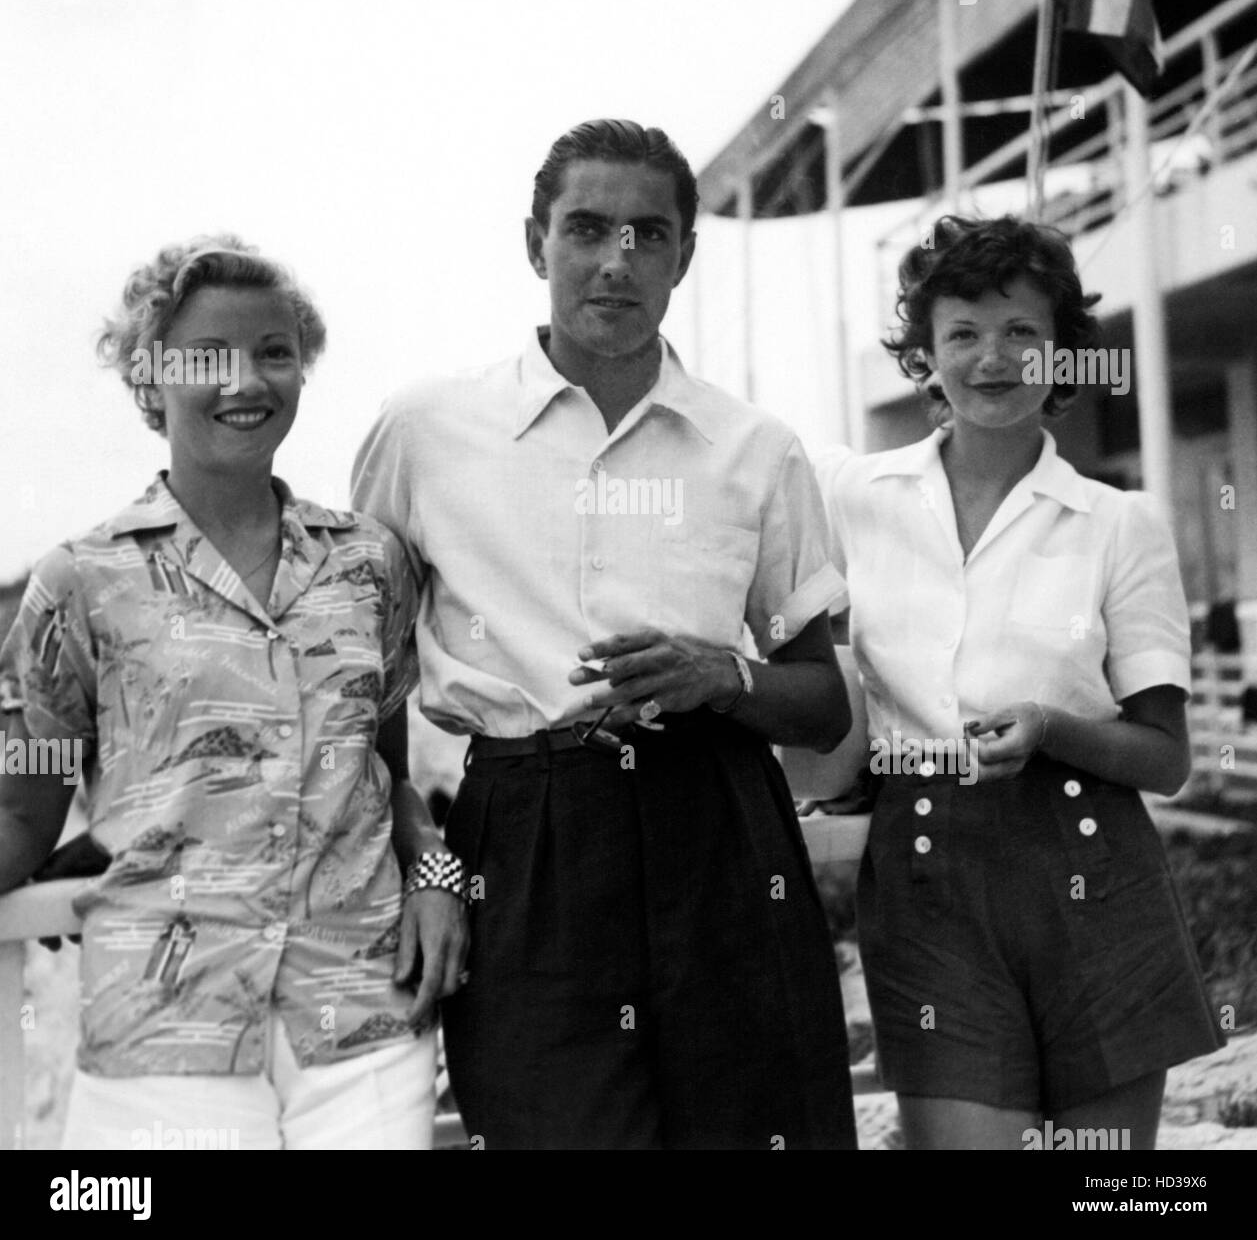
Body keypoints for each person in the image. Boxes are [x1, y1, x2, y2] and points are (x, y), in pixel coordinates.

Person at [352, 118, 858, 1150]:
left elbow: (824, 702)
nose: (615, 262)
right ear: (535, 243)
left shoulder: (756, 450)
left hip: (719, 825)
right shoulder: (423, 433)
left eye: (648, 235)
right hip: (526, 838)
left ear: (683, 255)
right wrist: (428, 870)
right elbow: (366, 693)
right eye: (586, 229)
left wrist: (726, 675)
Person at [0, 235, 467, 1149]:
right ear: (150, 375)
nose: (245, 381)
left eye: (274, 352)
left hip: (363, 1024)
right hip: (163, 1038)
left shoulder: (370, 565)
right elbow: (22, 814)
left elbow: (383, 776)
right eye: (208, 356)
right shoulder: (77, 584)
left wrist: (437, 872)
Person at [817, 214, 1224, 1150]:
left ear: (1064, 354)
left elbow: (1164, 760)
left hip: (1095, 872)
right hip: (927, 878)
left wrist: (1048, 724)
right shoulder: (850, 495)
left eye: (1021, 333)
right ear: (923, 355)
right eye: (960, 333)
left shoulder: (1119, 524)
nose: (990, 358)